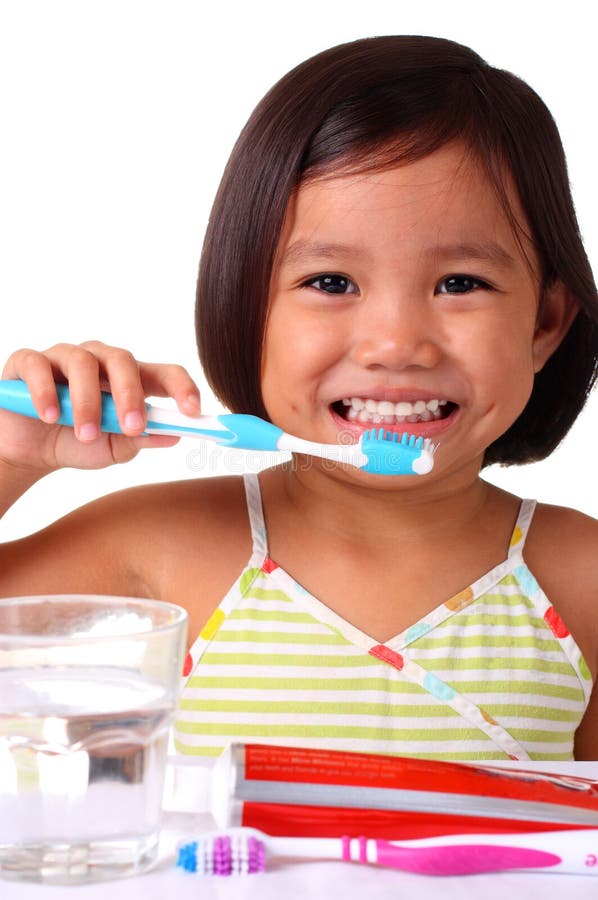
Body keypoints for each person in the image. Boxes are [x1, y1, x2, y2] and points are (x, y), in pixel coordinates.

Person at [1, 35, 597, 763]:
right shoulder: (158, 549)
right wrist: (12, 458)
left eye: (460, 284)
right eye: (331, 283)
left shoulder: (583, 578)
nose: (395, 344)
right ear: (249, 312)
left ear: (544, 324)